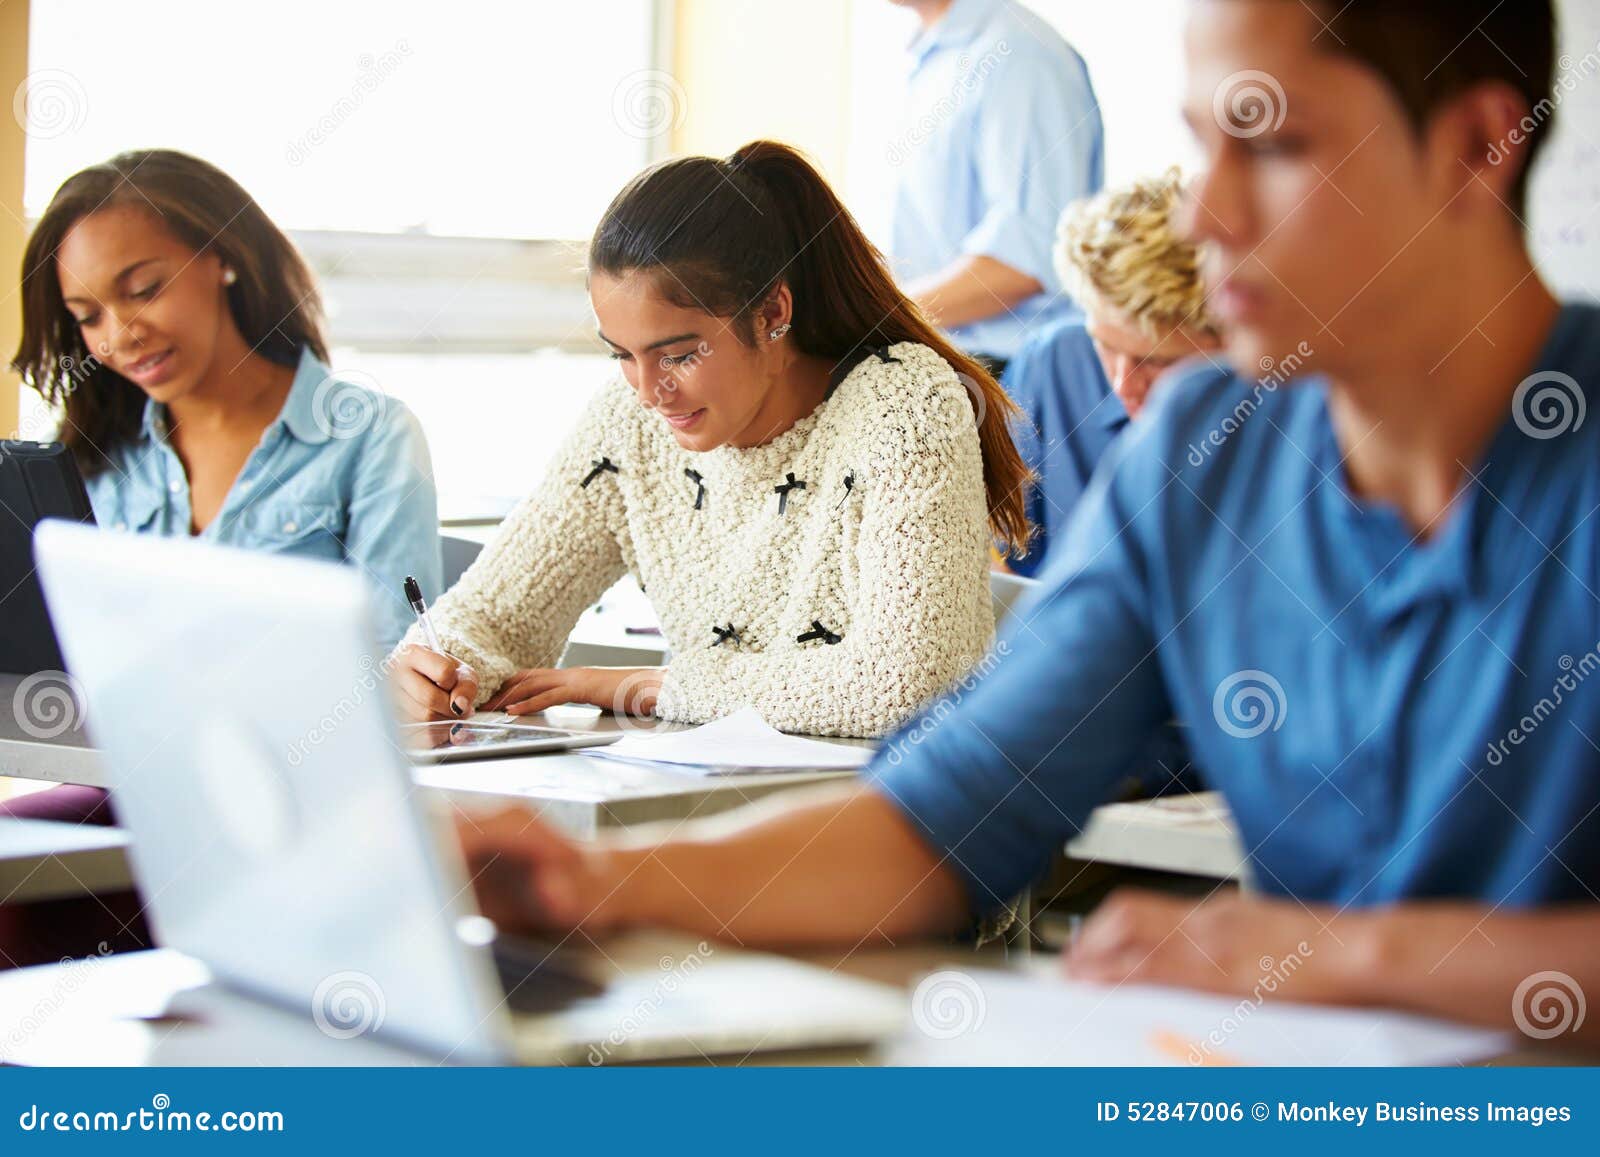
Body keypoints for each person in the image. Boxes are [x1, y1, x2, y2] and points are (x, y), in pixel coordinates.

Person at [453, 0, 1600, 1045]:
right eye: (1203, 144)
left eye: (1275, 145)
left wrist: (1343, 956)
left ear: (1476, 145)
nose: (1206, 212)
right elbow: (944, 812)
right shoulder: (1207, 451)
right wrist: (600, 883)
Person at [389, 140, 1030, 740]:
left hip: (887, 817)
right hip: (717, 797)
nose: (648, 390)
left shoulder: (904, 402)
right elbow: (494, 618)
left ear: (772, 314)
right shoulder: (630, 425)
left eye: (679, 354)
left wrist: (640, 687)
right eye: (622, 355)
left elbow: (909, 683)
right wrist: (438, 674)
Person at [2, 149, 440, 968]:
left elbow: (397, 666)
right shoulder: (96, 452)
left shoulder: (367, 433)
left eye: (144, 289)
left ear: (225, 260)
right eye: (88, 314)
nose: (119, 334)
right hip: (136, 780)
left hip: (302, 800)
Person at [1004, 169, 1224, 577]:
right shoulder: (1053, 365)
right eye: (1106, 345)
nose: (1124, 384)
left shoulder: (1282, 411)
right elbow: (997, 559)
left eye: (1158, 361)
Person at [887, 0, 1105, 372]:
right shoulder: (933, 56)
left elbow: (1023, 263)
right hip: (940, 360)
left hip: (1004, 376)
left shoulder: (1020, 56)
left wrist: (877, 315)